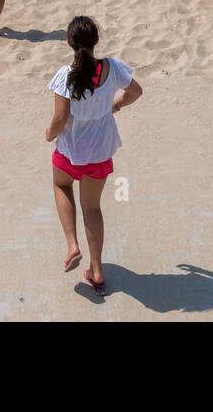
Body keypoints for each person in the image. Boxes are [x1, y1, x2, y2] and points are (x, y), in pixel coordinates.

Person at [45, 16, 142, 296]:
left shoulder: (65, 75)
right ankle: (97, 271)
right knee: (93, 208)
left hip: (70, 151)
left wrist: (49, 133)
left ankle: (72, 244)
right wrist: (117, 104)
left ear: (69, 42)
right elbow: (136, 92)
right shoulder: (112, 68)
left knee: (61, 185)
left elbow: (60, 118)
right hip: (100, 152)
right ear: (97, 41)